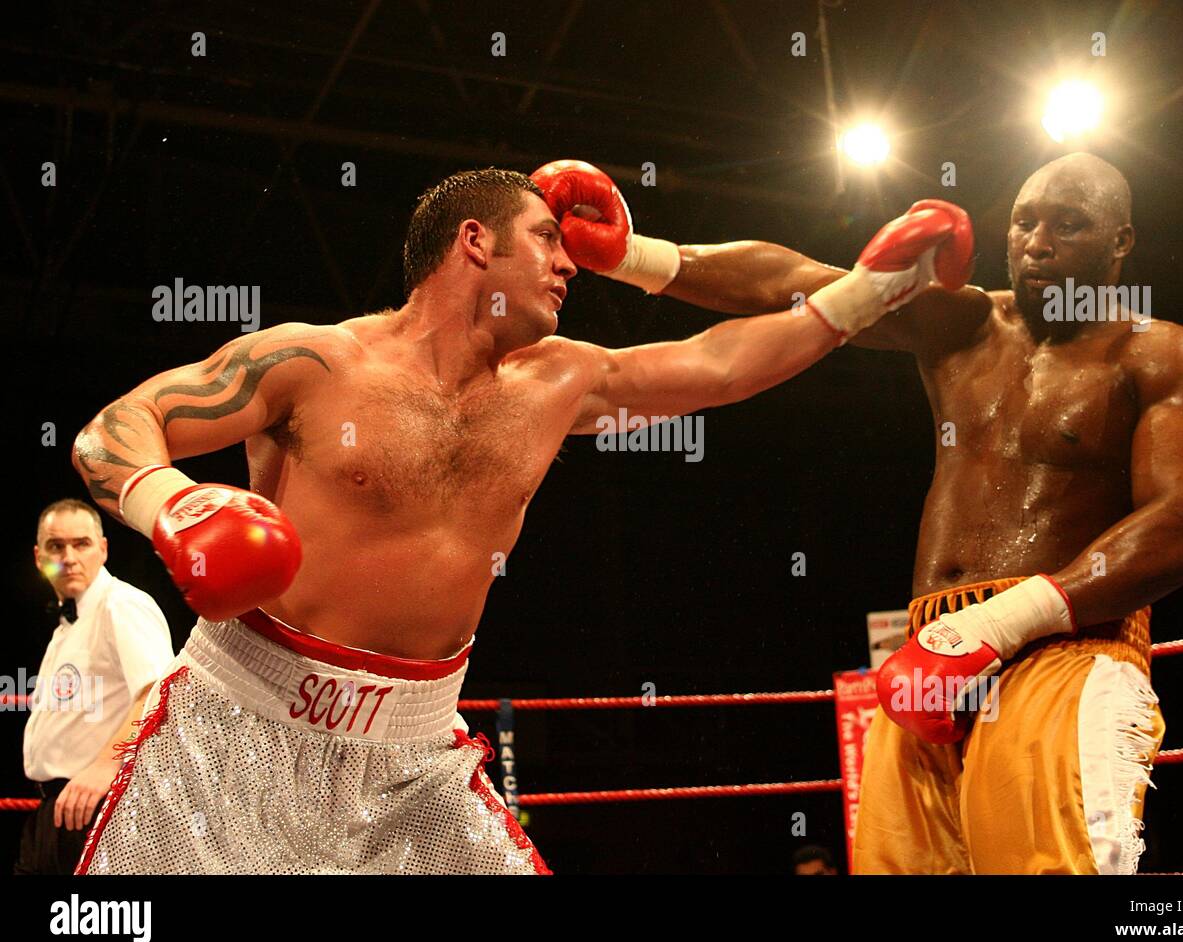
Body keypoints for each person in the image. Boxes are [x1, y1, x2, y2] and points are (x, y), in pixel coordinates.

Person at [70, 167, 971, 874]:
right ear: (474, 242)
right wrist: (174, 505)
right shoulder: (313, 360)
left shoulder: (559, 379)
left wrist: (866, 293)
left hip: (415, 749)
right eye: (545, 240)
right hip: (238, 728)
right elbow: (116, 427)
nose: (570, 264)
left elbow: (720, 366)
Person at [571, 152, 1183, 874]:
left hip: (1064, 653)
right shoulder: (965, 326)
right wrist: (630, 254)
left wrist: (1000, 622)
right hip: (928, 657)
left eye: (1067, 225)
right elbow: (797, 283)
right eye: (1023, 222)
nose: (1036, 243)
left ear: (1121, 243)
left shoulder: (1168, 356)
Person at [17, 499, 172, 874]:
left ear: (102, 549)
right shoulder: (67, 626)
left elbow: (157, 691)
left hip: (98, 804)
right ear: (40, 558)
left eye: (81, 543)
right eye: (56, 546)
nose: (68, 556)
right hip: (55, 810)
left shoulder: (121, 604)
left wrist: (106, 766)